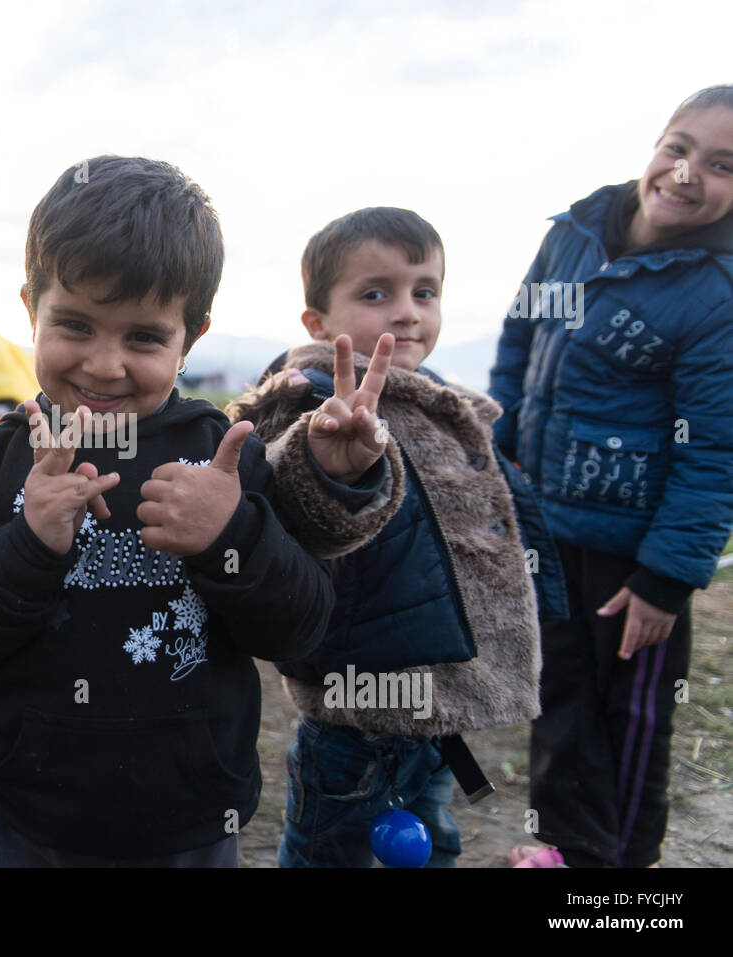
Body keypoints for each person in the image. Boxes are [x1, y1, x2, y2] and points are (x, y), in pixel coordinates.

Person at [0, 155, 399, 867]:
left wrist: (229, 534)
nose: (105, 365)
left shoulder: (223, 457)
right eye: (74, 325)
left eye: (143, 337)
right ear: (28, 308)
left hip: (193, 819)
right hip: (28, 817)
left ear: (191, 336)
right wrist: (27, 541)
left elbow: (302, 627)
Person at [233, 207, 567, 867]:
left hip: (438, 705)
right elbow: (293, 494)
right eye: (375, 293)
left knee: (429, 845)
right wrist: (334, 467)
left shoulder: (438, 403)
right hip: (359, 709)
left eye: (425, 290)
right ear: (317, 322)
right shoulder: (316, 403)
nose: (408, 312)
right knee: (332, 852)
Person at [489, 86, 733, 869]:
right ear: (657, 143)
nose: (688, 172)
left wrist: (666, 578)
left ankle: (624, 874)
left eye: (723, 165)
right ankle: (567, 847)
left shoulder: (716, 294)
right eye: (679, 145)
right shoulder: (571, 235)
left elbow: (716, 449)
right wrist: (500, 458)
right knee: (556, 695)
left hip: (637, 553)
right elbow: (517, 342)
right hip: (548, 526)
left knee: (629, 714)